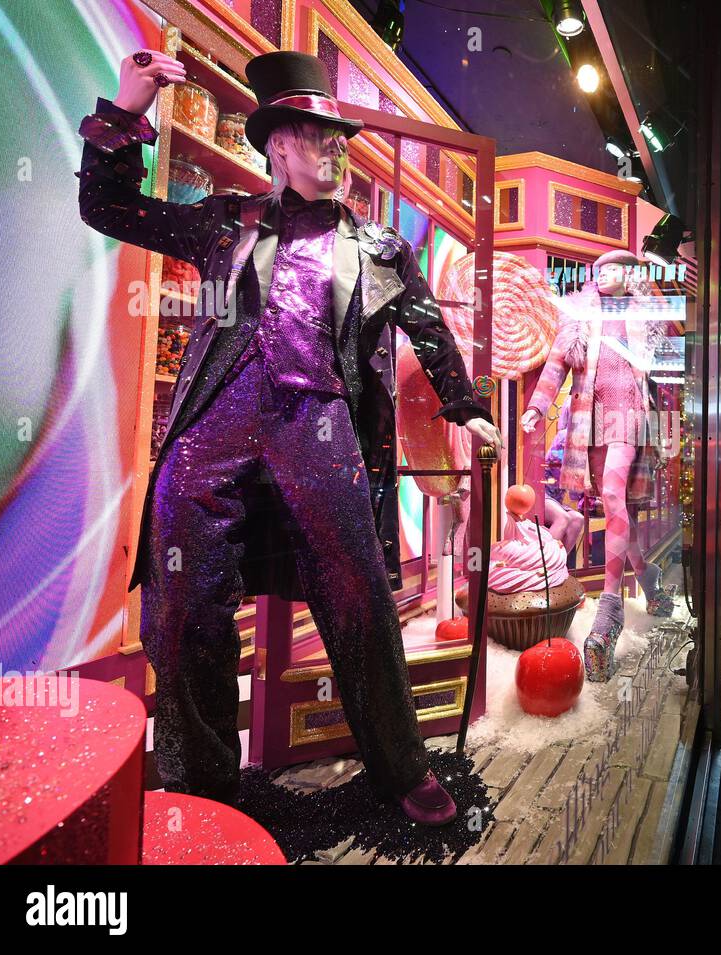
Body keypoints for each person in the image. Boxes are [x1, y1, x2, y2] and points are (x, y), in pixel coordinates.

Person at [77, 50, 502, 825]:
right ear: (276, 145)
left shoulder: (380, 248)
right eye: (316, 136)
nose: (336, 149)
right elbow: (110, 209)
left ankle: (400, 764)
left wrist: (464, 404)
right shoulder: (223, 221)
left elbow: (431, 331)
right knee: (181, 607)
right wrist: (124, 109)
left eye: (339, 137)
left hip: (318, 425)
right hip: (213, 424)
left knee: (360, 592)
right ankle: (202, 786)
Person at [521, 250, 674, 681]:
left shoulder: (646, 318)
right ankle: (647, 575)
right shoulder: (581, 316)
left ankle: (610, 608)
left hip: (627, 417)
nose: (606, 275)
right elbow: (554, 366)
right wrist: (537, 407)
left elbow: (661, 378)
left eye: (615, 268)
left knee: (611, 494)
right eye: (600, 270)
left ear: (630, 275)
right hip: (591, 420)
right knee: (613, 505)